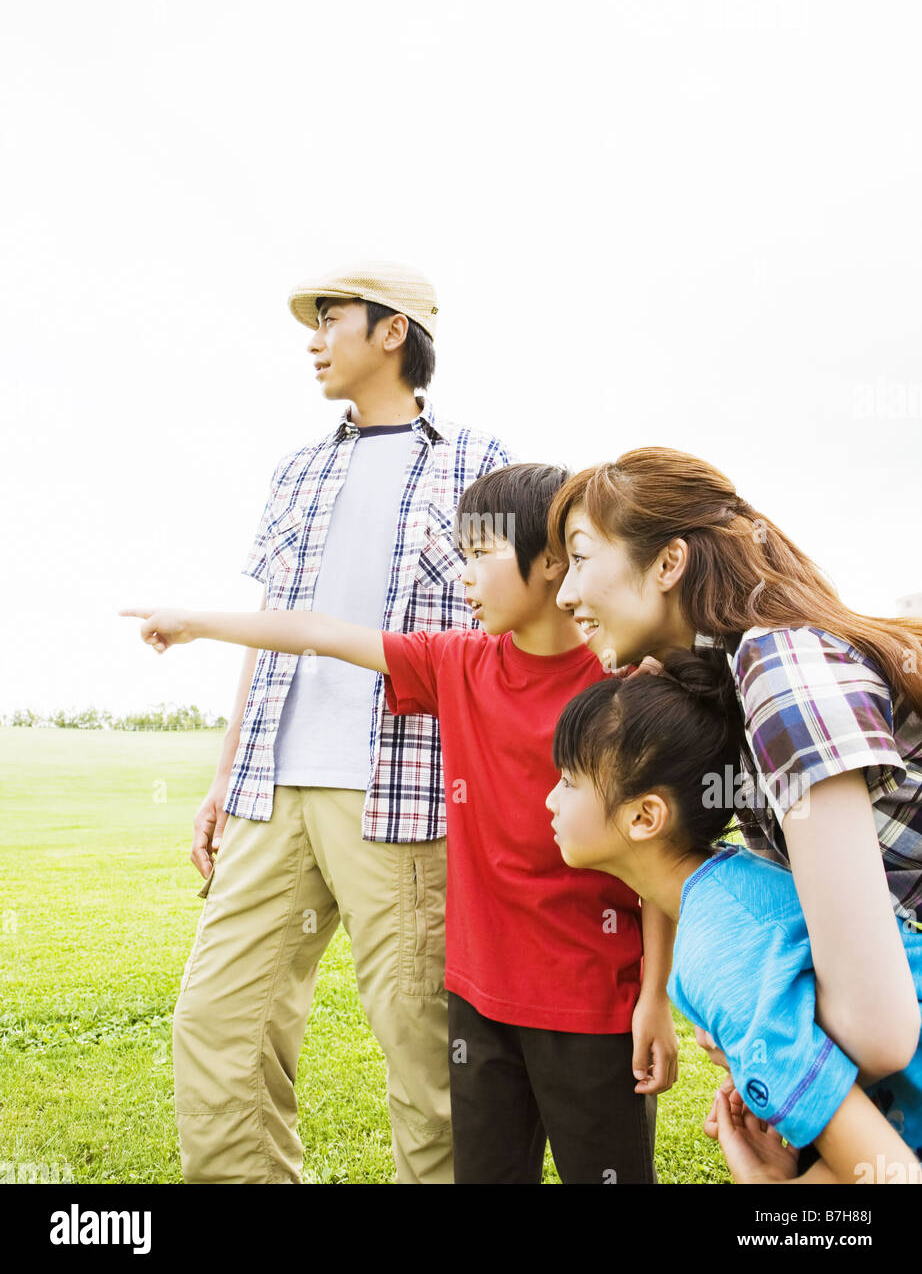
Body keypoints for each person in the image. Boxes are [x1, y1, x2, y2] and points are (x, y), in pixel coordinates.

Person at [121, 462, 679, 1184]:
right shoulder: (457, 663)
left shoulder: (624, 690)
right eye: (462, 556)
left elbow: (656, 866)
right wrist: (197, 624)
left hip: (596, 1011)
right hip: (477, 1006)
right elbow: (319, 631)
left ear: (551, 562)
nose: (465, 577)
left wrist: (655, 999)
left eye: (481, 555)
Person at [141, 260, 512, 1184]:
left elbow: (505, 632)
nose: (313, 340)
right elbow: (270, 636)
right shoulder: (297, 470)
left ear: (393, 332)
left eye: (330, 319)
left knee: (424, 1050)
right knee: (219, 1020)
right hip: (272, 789)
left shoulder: (481, 462)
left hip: (406, 793)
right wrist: (225, 776)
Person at [547, 446, 922, 1170]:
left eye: (580, 558)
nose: (565, 595)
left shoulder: (782, 672)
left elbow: (878, 1030)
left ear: (667, 565)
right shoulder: (737, 680)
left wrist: (759, 1024)